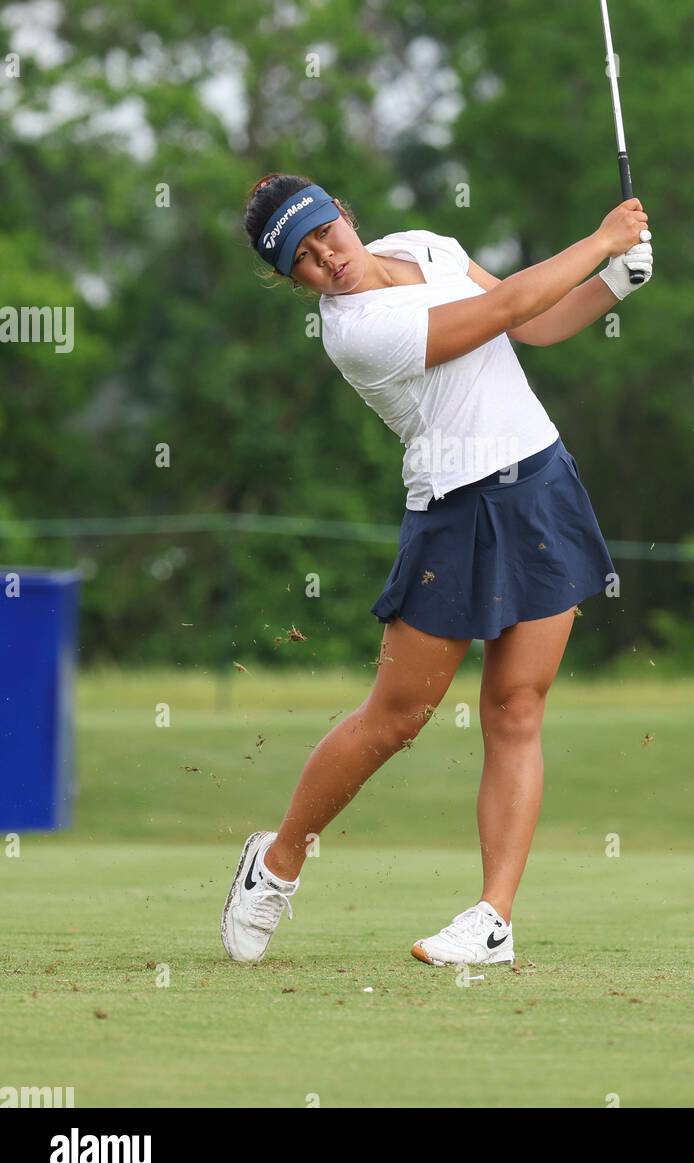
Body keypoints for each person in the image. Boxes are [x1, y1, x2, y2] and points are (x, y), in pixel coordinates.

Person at [221, 174, 652, 967]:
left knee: (517, 709)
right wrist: (600, 241)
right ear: (292, 280)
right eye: (306, 262)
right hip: (457, 509)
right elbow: (501, 310)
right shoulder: (354, 332)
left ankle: (493, 918)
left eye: (328, 237)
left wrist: (617, 279)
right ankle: (277, 862)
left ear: (346, 215)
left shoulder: (425, 245)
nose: (329, 261)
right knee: (398, 718)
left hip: (542, 485)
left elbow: (541, 325)